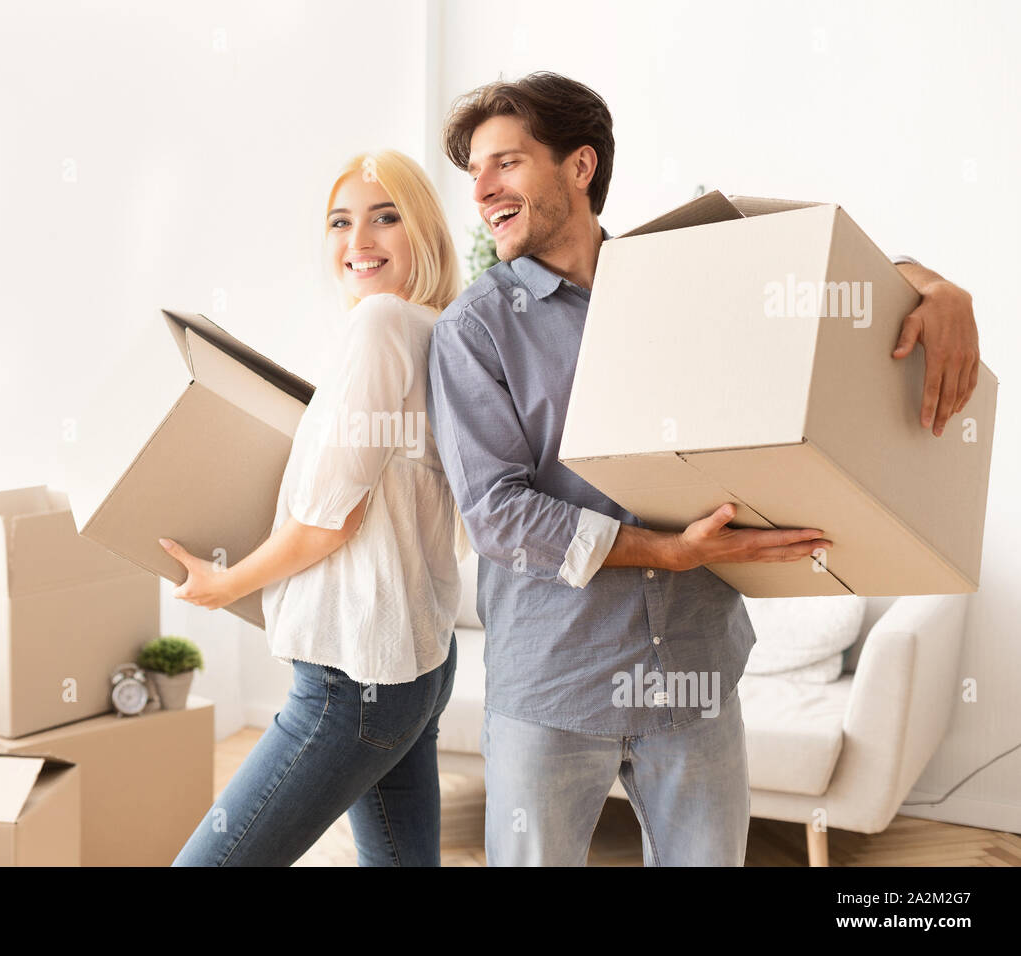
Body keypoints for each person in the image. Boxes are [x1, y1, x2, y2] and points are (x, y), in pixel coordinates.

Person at [425, 71, 982, 866]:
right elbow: (497, 514)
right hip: (552, 687)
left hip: (693, 673)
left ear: (579, 168)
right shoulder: (475, 332)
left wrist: (930, 283)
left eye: (505, 163)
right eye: (473, 172)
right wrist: (668, 550)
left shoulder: (684, 283)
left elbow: (813, 280)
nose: (482, 189)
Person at [162, 148, 467, 866]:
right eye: (341, 221)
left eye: (384, 218)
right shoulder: (435, 330)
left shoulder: (382, 324)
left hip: (355, 678)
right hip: (415, 662)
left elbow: (333, 519)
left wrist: (224, 584)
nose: (358, 241)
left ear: (422, 230)